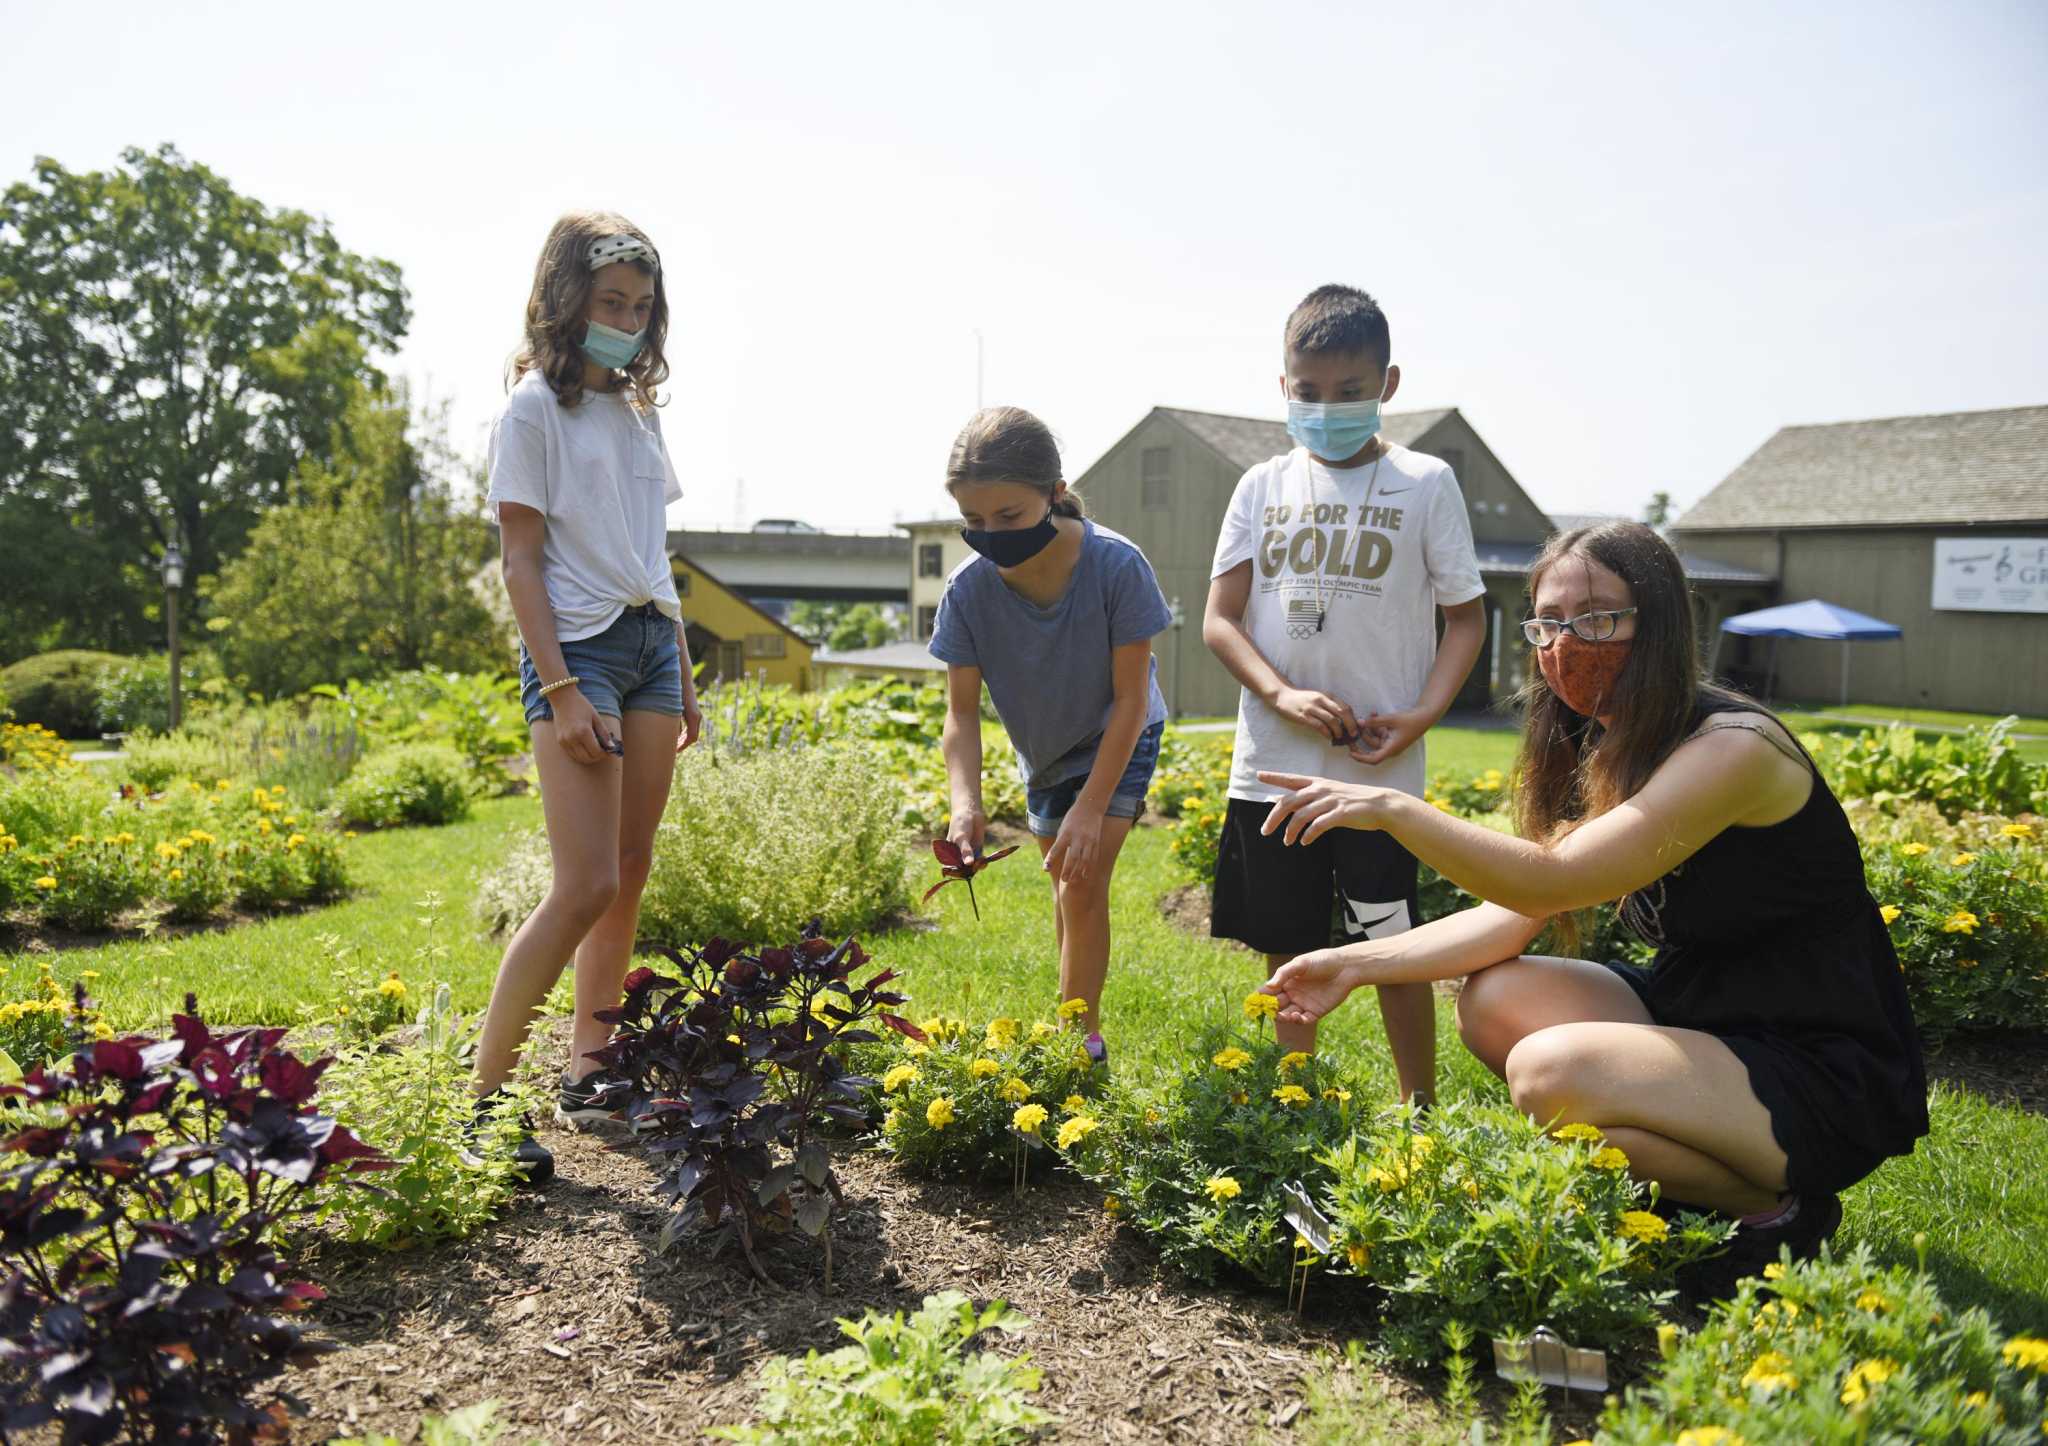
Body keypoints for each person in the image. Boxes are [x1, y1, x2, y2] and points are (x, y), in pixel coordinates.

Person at [1258, 520, 1928, 1290]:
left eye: (1599, 618)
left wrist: (1398, 810)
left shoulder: (1734, 749)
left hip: (1816, 1063)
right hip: (1703, 1017)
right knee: (1496, 999)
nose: (1565, 644)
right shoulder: (1604, 742)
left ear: (1663, 623)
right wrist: (1352, 963)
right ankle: (1688, 1191)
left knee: (1549, 1073)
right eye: (1547, 622)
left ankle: (1775, 1211)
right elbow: (1518, 912)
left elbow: (1552, 877)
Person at [1203, 284, 1486, 1099]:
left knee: (1392, 943)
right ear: (1283, 386)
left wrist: (1423, 714)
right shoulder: (1260, 487)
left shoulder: (1426, 483)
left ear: (1387, 385)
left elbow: (1465, 619)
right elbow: (1222, 621)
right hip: (1275, 769)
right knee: (1286, 950)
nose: (1329, 408)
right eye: (1310, 392)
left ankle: (1418, 1111)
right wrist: (1282, 694)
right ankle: (1290, 1106)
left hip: (1376, 777)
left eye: (1351, 391)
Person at [470, 211, 703, 1185]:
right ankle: (482, 1106)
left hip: (651, 644)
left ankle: (591, 1068)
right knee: (584, 885)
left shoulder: (638, 416)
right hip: (581, 652)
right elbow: (518, 564)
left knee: (632, 864)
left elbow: (651, 555)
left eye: (640, 306)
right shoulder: (532, 411)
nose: (627, 319)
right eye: (610, 302)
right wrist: (560, 689)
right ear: (565, 300)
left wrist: (684, 665)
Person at [929, 406, 1174, 1066]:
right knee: (1064, 890)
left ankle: (1077, 1047)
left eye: (1008, 517)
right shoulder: (969, 592)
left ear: (1055, 492)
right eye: (975, 521)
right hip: (1043, 746)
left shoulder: (1115, 567)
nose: (991, 534)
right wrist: (966, 806)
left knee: (1080, 882)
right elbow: (960, 714)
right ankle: (1070, 1021)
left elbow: (1129, 699)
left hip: (1118, 732)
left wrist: (1092, 807)